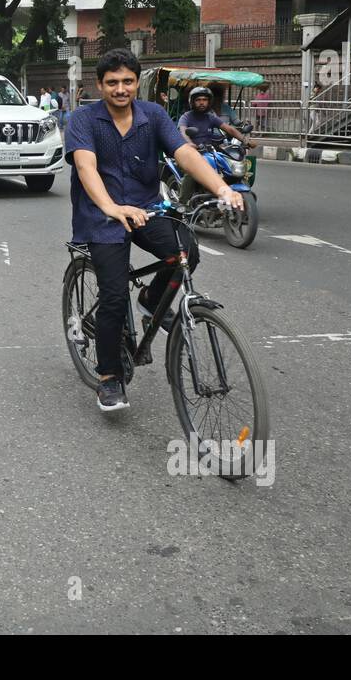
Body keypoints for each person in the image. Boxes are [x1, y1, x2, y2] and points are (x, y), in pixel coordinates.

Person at [63, 48, 244, 413]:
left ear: (136, 84)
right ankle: (109, 376)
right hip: (103, 215)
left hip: (146, 208)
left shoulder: (154, 115)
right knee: (113, 297)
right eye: (112, 82)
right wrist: (112, 207)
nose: (120, 88)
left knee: (185, 253)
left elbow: (186, 154)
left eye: (127, 81)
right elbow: (86, 168)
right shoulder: (83, 119)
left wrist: (222, 187)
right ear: (100, 85)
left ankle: (150, 300)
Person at [175, 86, 257, 202]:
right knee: (192, 172)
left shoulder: (210, 117)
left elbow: (229, 129)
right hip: (189, 153)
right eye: (198, 100)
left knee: (225, 166)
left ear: (209, 102)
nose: (202, 103)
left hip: (208, 153)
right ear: (192, 102)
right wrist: (190, 144)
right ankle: (182, 204)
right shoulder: (186, 117)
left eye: (204, 100)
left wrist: (245, 140)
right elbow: (183, 131)